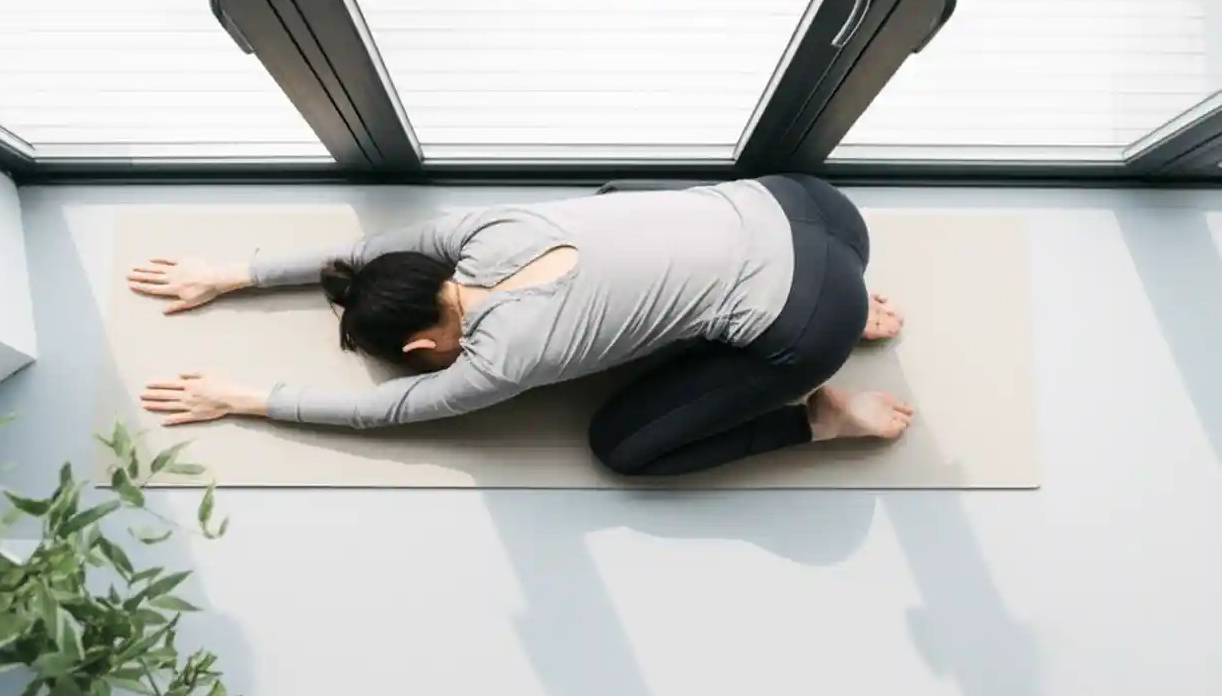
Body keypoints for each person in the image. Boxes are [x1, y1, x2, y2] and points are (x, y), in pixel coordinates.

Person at [128, 175, 911, 477]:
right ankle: (844, 300)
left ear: (418, 346)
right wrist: (236, 273)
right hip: (813, 205)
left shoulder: (496, 362)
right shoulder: (480, 232)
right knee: (612, 205)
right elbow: (364, 253)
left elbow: (385, 413)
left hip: (812, 315)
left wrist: (244, 397)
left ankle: (817, 414)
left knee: (622, 449)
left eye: (416, 361)